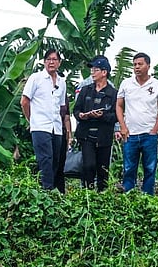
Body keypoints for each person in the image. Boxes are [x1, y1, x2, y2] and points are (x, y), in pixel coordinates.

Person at [116, 52, 158, 194]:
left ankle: (147, 197)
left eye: (140, 64)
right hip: (130, 134)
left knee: (150, 168)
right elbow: (119, 106)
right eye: (134, 65)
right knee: (129, 168)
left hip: (149, 134)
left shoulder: (157, 85)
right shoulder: (126, 84)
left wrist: (154, 130)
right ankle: (128, 196)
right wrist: (123, 127)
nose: (137, 67)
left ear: (148, 66)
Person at [20, 48, 70, 192]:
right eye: (48, 59)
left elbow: (62, 106)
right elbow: (24, 101)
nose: (51, 62)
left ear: (59, 62)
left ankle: (51, 191)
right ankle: (47, 192)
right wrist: (31, 119)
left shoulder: (62, 82)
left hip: (56, 127)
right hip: (40, 126)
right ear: (44, 62)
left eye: (54, 59)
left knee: (56, 160)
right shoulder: (36, 78)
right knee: (45, 160)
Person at [72, 55, 118, 190]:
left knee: (103, 169)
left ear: (104, 72)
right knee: (88, 165)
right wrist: (82, 115)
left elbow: (117, 115)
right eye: (91, 69)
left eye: (95, 70)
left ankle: (102, 196)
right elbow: (76, 110)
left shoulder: (113, 93)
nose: (92, 72)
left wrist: (103, 116)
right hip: (86, 135)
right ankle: (88, 193)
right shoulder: (85, 89)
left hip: (104, 136)